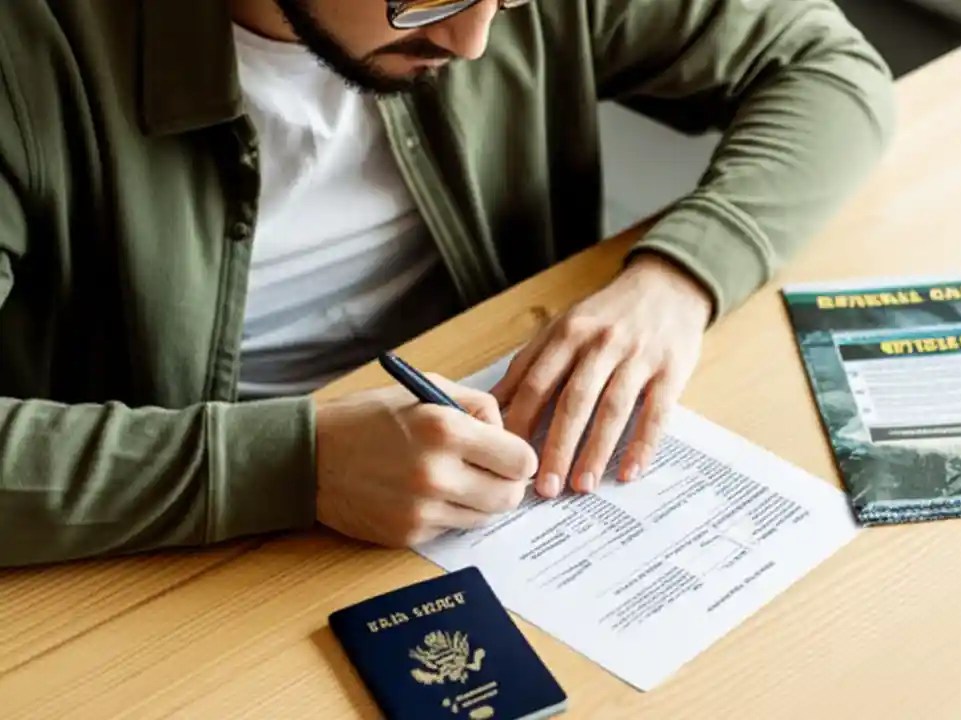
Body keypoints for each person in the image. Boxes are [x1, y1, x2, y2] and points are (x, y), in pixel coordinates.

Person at [0, 0, 895, 567]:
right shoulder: (28, 53)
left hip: (487, 480)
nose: (472, 40)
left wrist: (681, 276)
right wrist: (294, 465)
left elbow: (826, 63)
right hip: (172, 536)